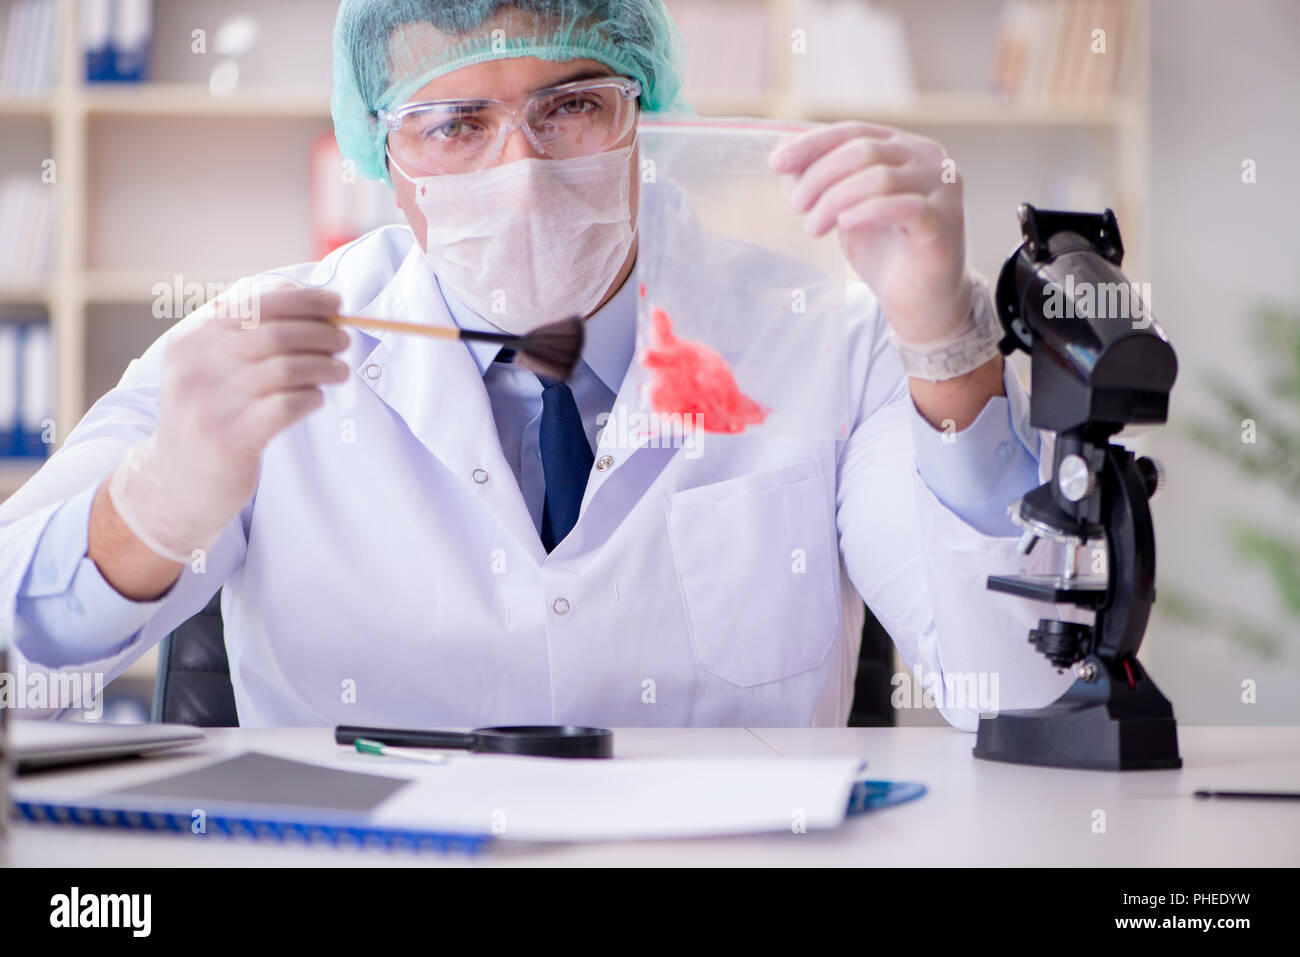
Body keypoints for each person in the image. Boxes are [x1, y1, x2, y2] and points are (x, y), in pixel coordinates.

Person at [0, 0, 1075, 729]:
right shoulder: (256, 348)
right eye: (453, 123)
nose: (518, 172)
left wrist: (945, 341)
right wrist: (146, 514)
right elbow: (25, 665)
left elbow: (1025, 695)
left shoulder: (825, 338)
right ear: (379, 149)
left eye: (569, 107)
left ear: (640, 109)